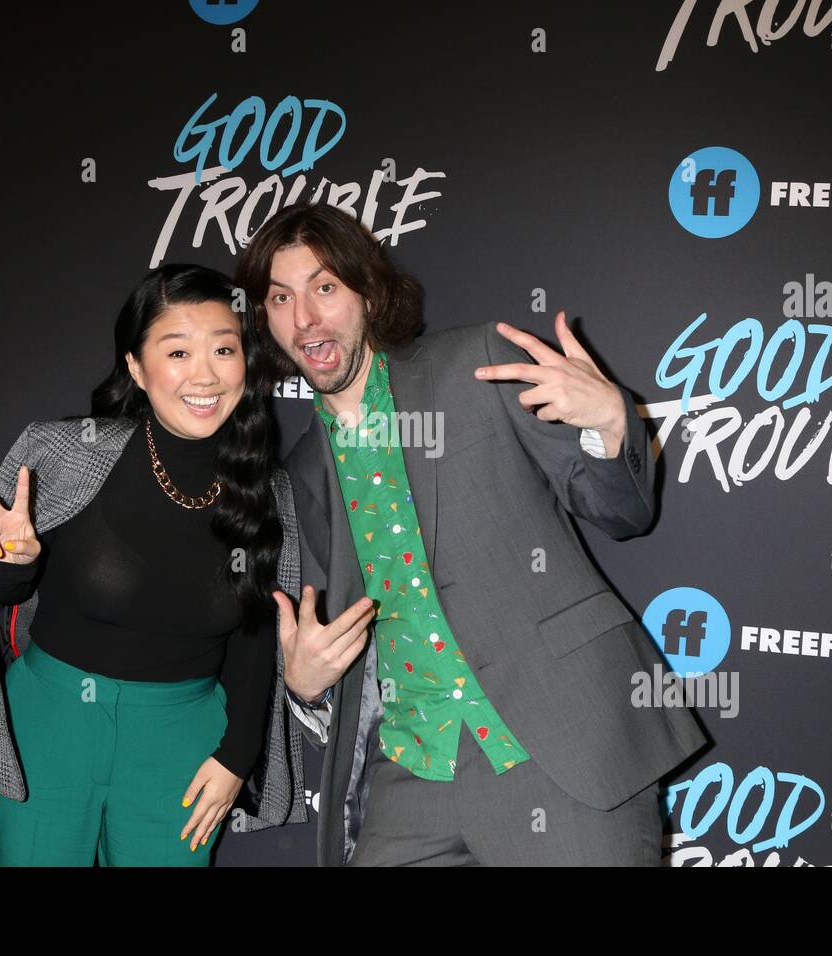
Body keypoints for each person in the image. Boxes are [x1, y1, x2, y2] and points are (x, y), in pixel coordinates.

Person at [236, 204, 710, 865]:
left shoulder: (475, 363)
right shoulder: (304, 472)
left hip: (554, 745)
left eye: (324, 288)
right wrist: (307, 685)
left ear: (368, 293)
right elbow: (341, 646)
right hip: (409, 774)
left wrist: (608, 423)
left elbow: (623, 514)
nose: (304, 318)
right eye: (279, 299)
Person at [0, 263, 330, 865]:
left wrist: (235, 756)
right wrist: (13, 562)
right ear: (137, 367)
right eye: (178, 352)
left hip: (181, 747)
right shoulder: (63, 455)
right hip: (46, 731)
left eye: (224, 349)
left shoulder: (266, 490)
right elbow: (1, 600)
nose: (204, 374)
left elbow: (256, 641)